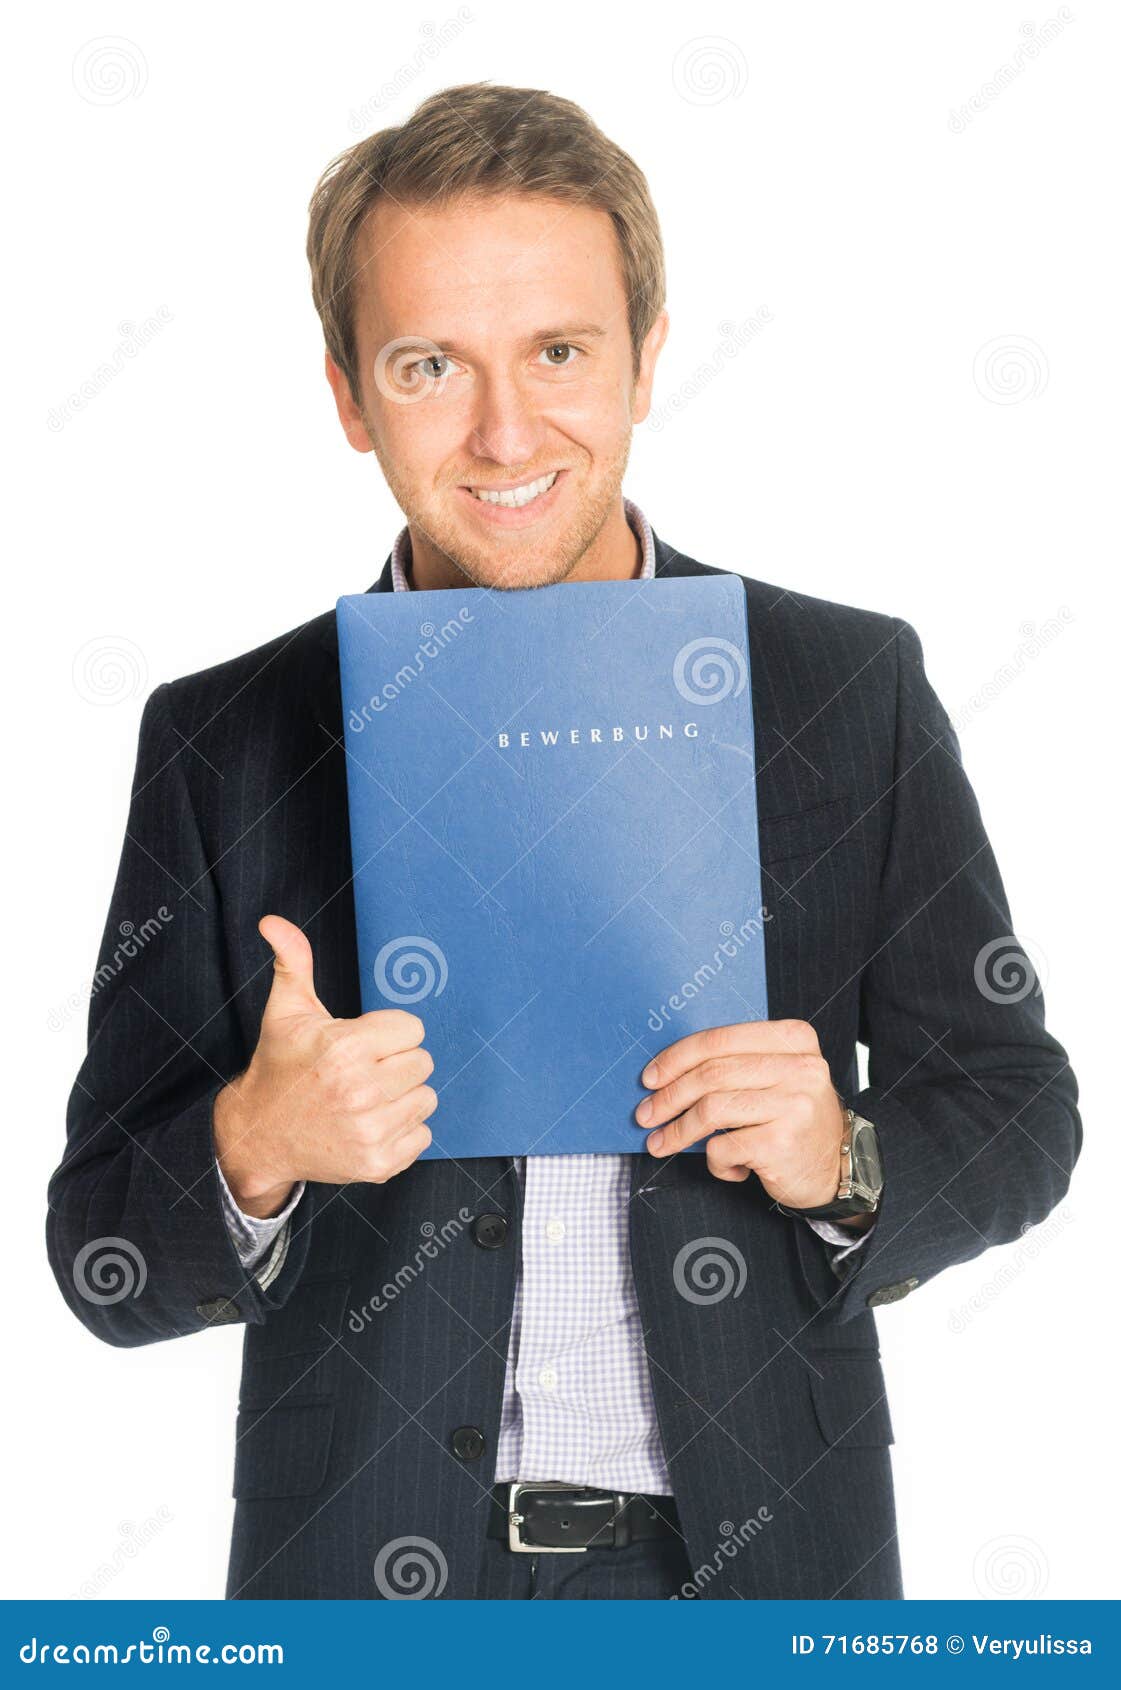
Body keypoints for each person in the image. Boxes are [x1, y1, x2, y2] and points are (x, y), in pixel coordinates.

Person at [47, 82, 1080, 1601]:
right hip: (364, 1580)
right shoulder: (226, 737)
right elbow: (99, 1256)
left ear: (647, 359)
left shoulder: (840, 691)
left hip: (758, 1570)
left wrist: (839, 1154)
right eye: (427, 365)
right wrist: (254, 1149)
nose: (504, 431)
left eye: (557, 351)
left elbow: (1017, 1107)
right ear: (347, 393)